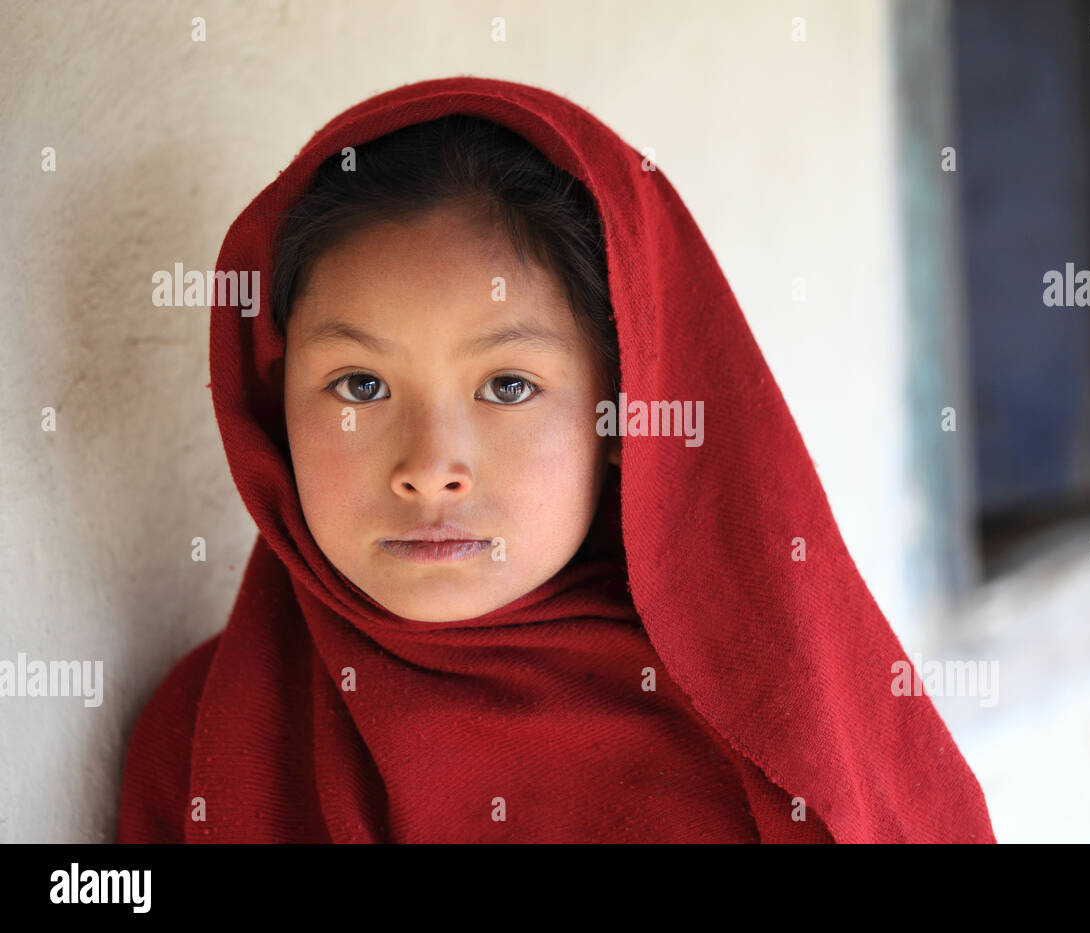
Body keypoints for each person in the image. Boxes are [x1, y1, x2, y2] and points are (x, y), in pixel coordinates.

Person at [116, 76, 996, 843]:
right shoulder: (205, 734)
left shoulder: (769, 756)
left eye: (506, 386)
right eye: (358, 385)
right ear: (272, 405)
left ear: (625, 413)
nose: (429, 467)